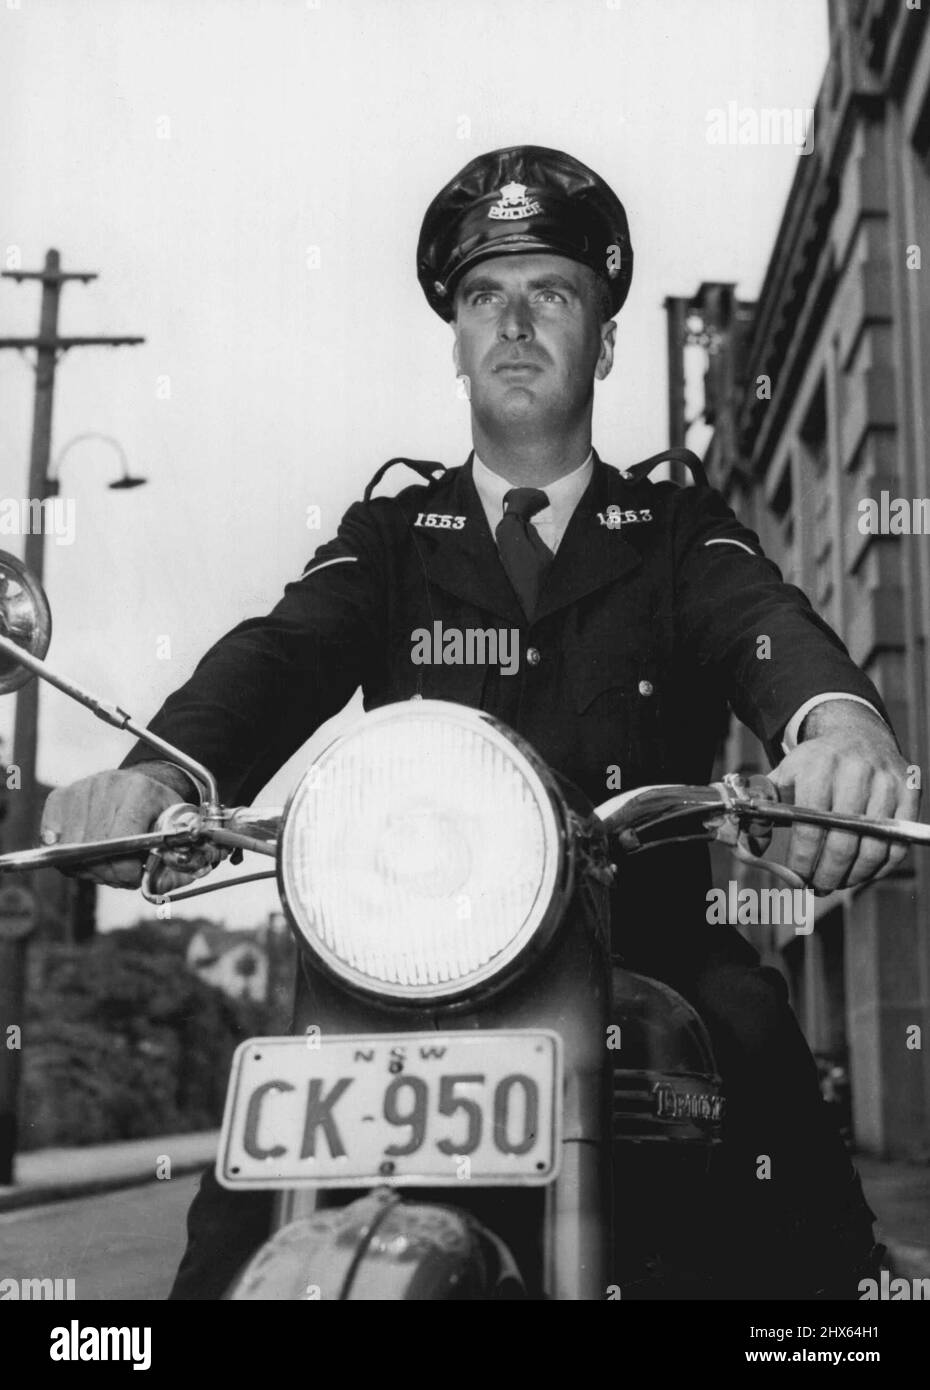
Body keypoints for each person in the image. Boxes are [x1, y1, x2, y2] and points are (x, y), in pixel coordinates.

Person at [41, 145, 918, 1300]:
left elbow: (767, 623)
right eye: (481, 297)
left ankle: (855, 1300)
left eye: (550, 291)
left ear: (602, 338)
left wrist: (840, 734)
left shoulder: (671, 529)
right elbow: (278, 653)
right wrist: (155, 773)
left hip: (644, 952)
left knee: (748, 1024)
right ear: (456, 338)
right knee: (228, 1236)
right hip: (393, 976)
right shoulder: (394, 539)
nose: (513, 322)